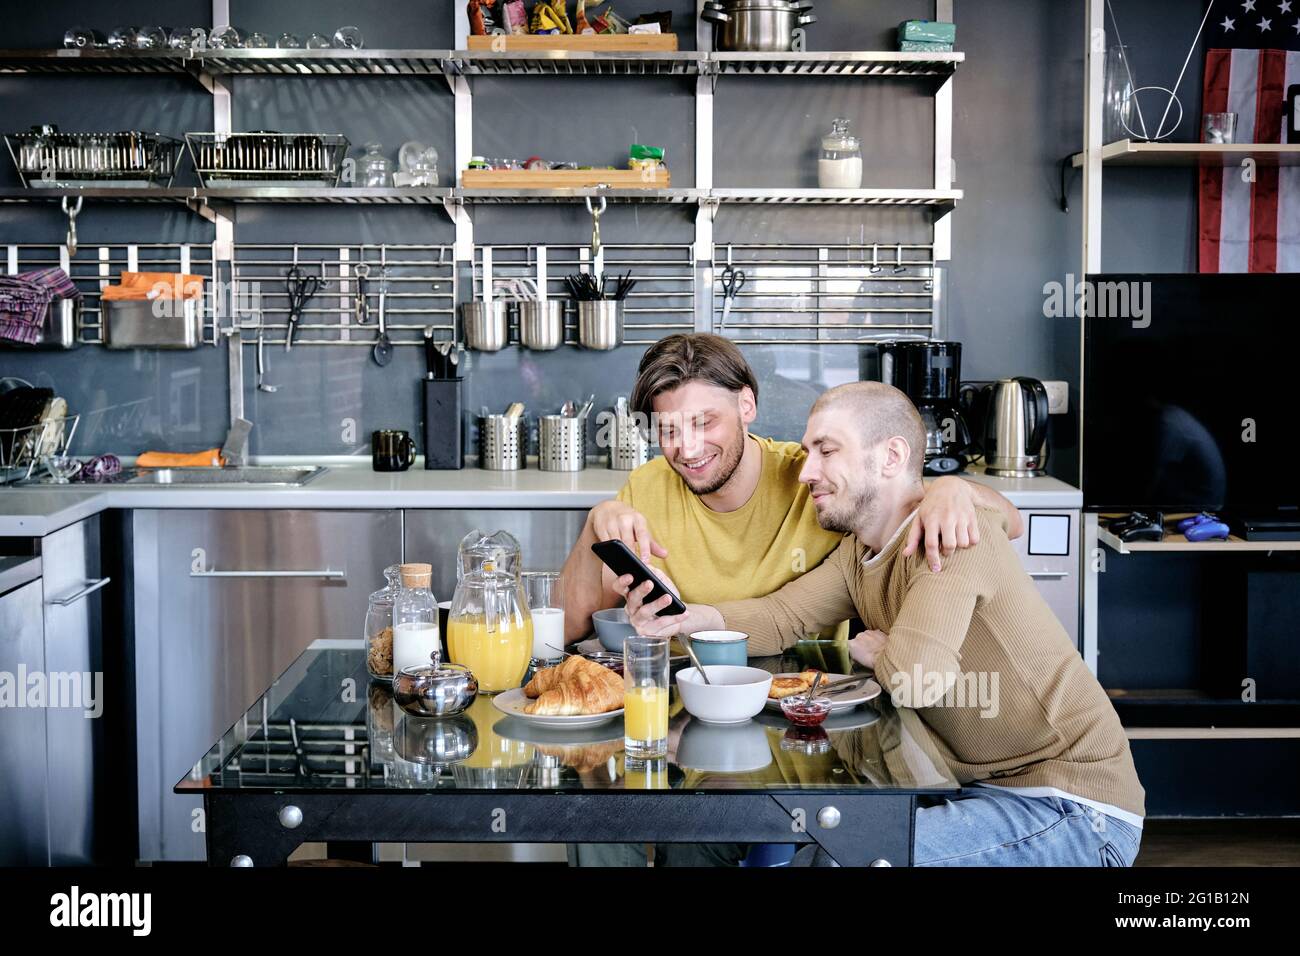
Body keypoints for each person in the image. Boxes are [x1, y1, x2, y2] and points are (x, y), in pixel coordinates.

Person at [622, 381, 1145, 867]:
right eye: (808, 454)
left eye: (827, 451)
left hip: (1073, 809)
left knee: (840, 859)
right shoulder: (860, 555)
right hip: (982, 792)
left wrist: (879, 652)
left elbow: (919, 678)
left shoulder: (954, 537)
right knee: (829, 846)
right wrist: (689, 618)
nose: (806, 473)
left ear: (891, 457)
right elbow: (783, 615)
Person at [557, 334, 1024, 866]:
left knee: (702, 829)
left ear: (747, 405)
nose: (686, 448)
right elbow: (566, 629)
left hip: (807, 737)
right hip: (684, 722)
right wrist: (595, 523)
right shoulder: (646, 488)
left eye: (704, 422)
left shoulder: (818, 482)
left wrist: (949, 489)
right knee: (590, 811)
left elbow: (1005, 521)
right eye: (668, 429)